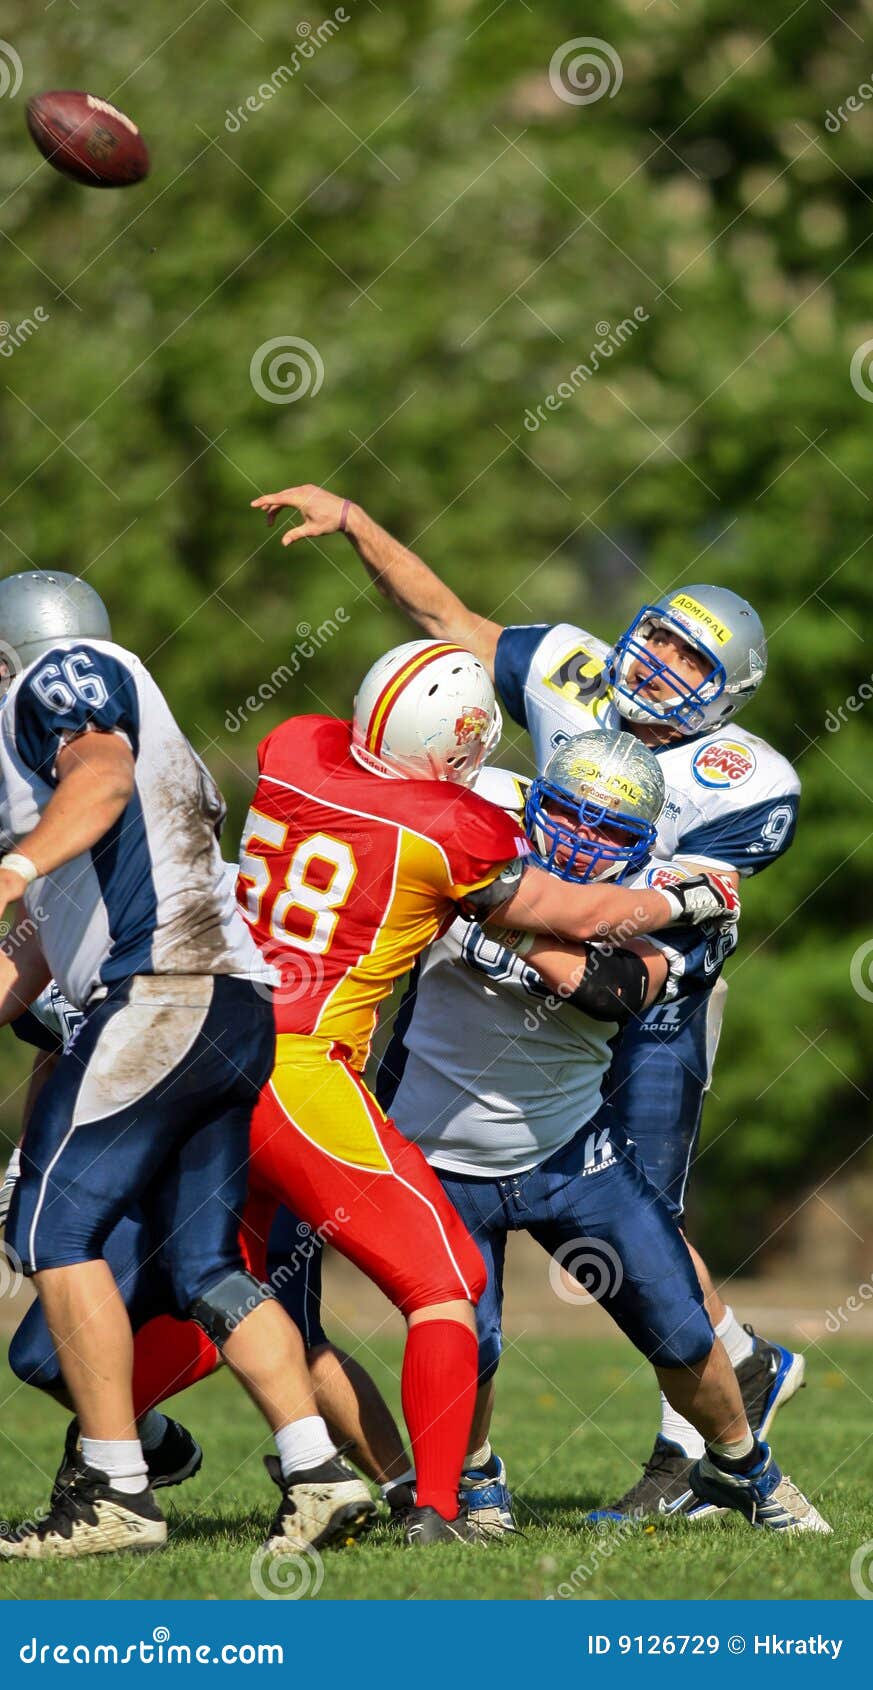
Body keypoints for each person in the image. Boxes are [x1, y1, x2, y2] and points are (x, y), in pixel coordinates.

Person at [39, 637, 732, 1549]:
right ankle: (438, 1510)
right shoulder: (449, 828)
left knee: (222, 1293)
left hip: (206, 1049)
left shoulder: (295, 746)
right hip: (298, 1067)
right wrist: (687, 899)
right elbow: (583, 915)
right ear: (456, 747)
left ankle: (131, 1461)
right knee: (447, 1282)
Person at [250, 484, 804, 1514]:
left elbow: (668, 923)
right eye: (667, 641)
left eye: (698, 663)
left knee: (644, 1217)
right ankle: (483, 1462)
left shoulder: (744, 781)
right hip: (506, 947)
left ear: (731, 696)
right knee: (454, 1162)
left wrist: (526, 934)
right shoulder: (569, 675)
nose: (668, 668)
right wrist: (364, 522)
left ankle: (701, 1434)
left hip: (641, 990)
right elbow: (448, 621)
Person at [0, 569, 373, 1560]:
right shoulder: (141, 716)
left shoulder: (61, 680)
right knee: (206, 1264)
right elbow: (44, 940)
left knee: (50, 1227)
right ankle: (316, 1467)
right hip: (230, 1006)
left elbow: (102, 775)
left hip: (156, 994)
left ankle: (116, 1491)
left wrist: (13, 862)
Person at [375, 734, 827, 1534]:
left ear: (644, 844)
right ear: (536, 806)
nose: (583, 842)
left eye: (610, 833)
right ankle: (476, 1481)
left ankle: (746, 1473)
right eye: (568, 818)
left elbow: (615, 990)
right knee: (463, 1339)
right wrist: (541, 911)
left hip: (568, 1153)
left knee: (682, 1329)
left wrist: (503, 912)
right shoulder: (479, 842)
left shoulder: (668, 893)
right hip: (433, 1152)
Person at [2, 984, 413, 1519]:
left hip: (247, 1142)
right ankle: (150, 1444)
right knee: (41, 1358)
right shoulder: (54, 939)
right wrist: (27, 1164)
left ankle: (405, 1493)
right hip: (142, 1176)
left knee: (285, 1323)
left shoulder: (188, 923)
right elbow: (57, 1048)